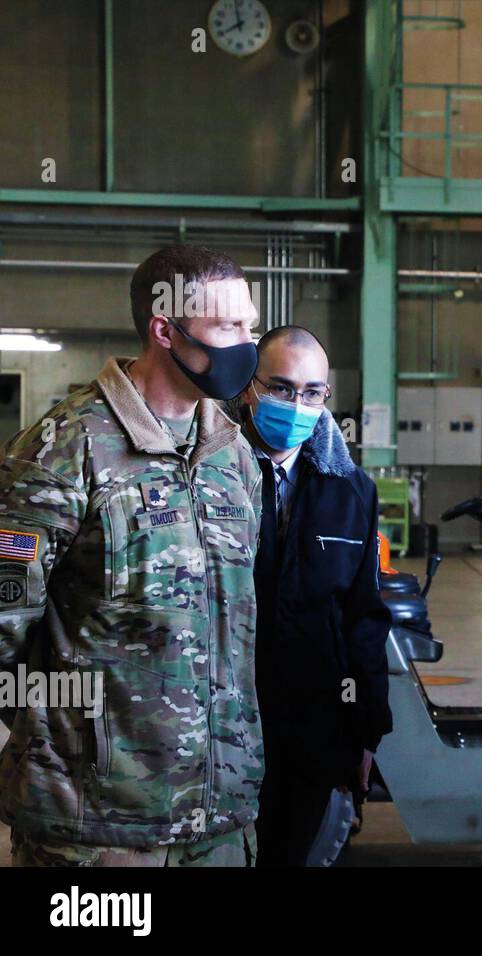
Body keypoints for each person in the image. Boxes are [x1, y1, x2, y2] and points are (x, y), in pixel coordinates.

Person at [0, 244, 263, 866]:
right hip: (94, 831)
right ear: (165, 329)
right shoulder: (63, 451)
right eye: (229, 326)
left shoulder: (232, 455)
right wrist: (65, 744)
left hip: (220, 817)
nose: (247, 343)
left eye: (249, 324)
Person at [239, 325, 392, 867]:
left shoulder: (350, 491)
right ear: (245, 388)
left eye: (312, 393)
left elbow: (363, 616)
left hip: (314, 724)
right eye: (280, 388)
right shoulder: (209, 477)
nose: (297, 405)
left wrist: (366, 728)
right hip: (219, 726)